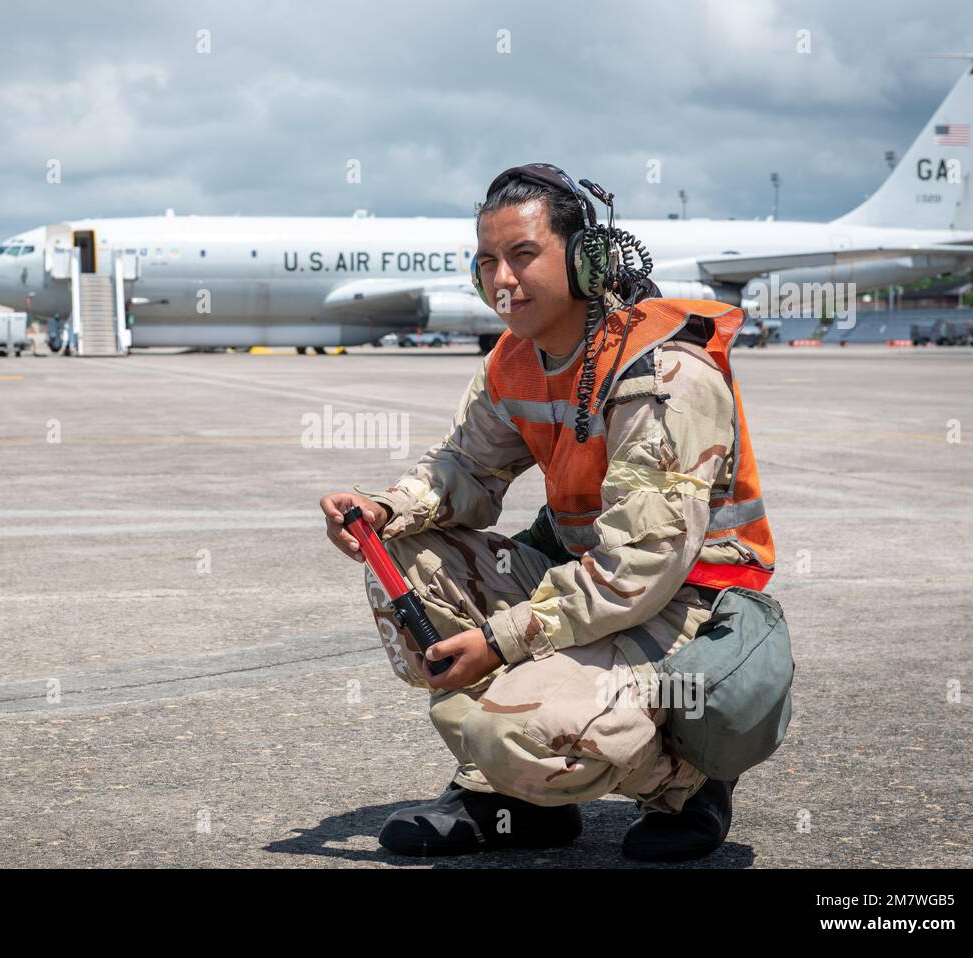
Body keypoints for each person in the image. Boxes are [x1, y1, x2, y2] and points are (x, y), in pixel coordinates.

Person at [319, 163, 776, 860]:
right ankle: (516, 802)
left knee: (501, 726)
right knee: (411, 560)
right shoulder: (516, 359)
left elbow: (638, 568)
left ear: (588, 262)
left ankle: (686, 782)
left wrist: (502, 640)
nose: (501, 280)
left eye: (523, 256)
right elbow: (465, 469)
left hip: (686, 600)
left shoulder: (662, 373)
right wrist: (384, 511)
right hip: (585, 575)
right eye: (487, 262)